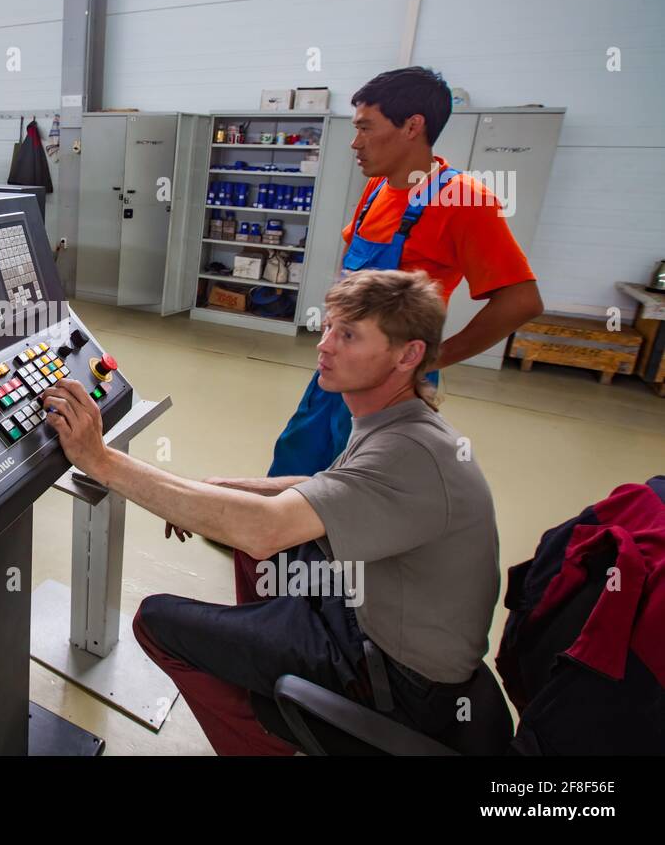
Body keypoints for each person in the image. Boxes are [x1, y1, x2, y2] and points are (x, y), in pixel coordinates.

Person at [41, 268, 500, 755]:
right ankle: (260, 664)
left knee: (156, 621)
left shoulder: (409, 452)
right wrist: (208, 490)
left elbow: (265, 530)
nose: (324, 346)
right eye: (327, 328)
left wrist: (99, 459)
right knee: (247, 547)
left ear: (409, 355)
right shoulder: (395, 418)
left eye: (348, 335)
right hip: (367, 610)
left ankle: (269, 733)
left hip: (391, 678)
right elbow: (325, 488)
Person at [232, 66, 541, 607]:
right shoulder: (375, 193)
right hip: (340, 365)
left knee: (362, 478)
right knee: (300, 452)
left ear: (412, 126)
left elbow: (520, 300)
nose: (354, 142)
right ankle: (274, 546)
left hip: (394, 379)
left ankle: (326, 594)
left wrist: (436, 357)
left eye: (366, 127)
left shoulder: (464, 199)